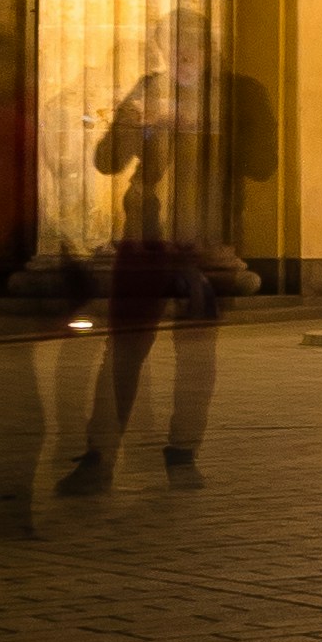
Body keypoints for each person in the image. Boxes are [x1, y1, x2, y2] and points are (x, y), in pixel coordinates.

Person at [63, 25, 239, 490]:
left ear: (207, 51)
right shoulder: (147, 90)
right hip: (146, 238)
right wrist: (135, 125)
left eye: (192, 46)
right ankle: (99, 458)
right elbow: (106, 161)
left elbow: (256, 162)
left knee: (197, 355)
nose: (181, 54)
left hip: (201, 242)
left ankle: (183, 453)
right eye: (172, 44)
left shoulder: (228, 96)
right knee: (123, 348)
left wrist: (199, 129)